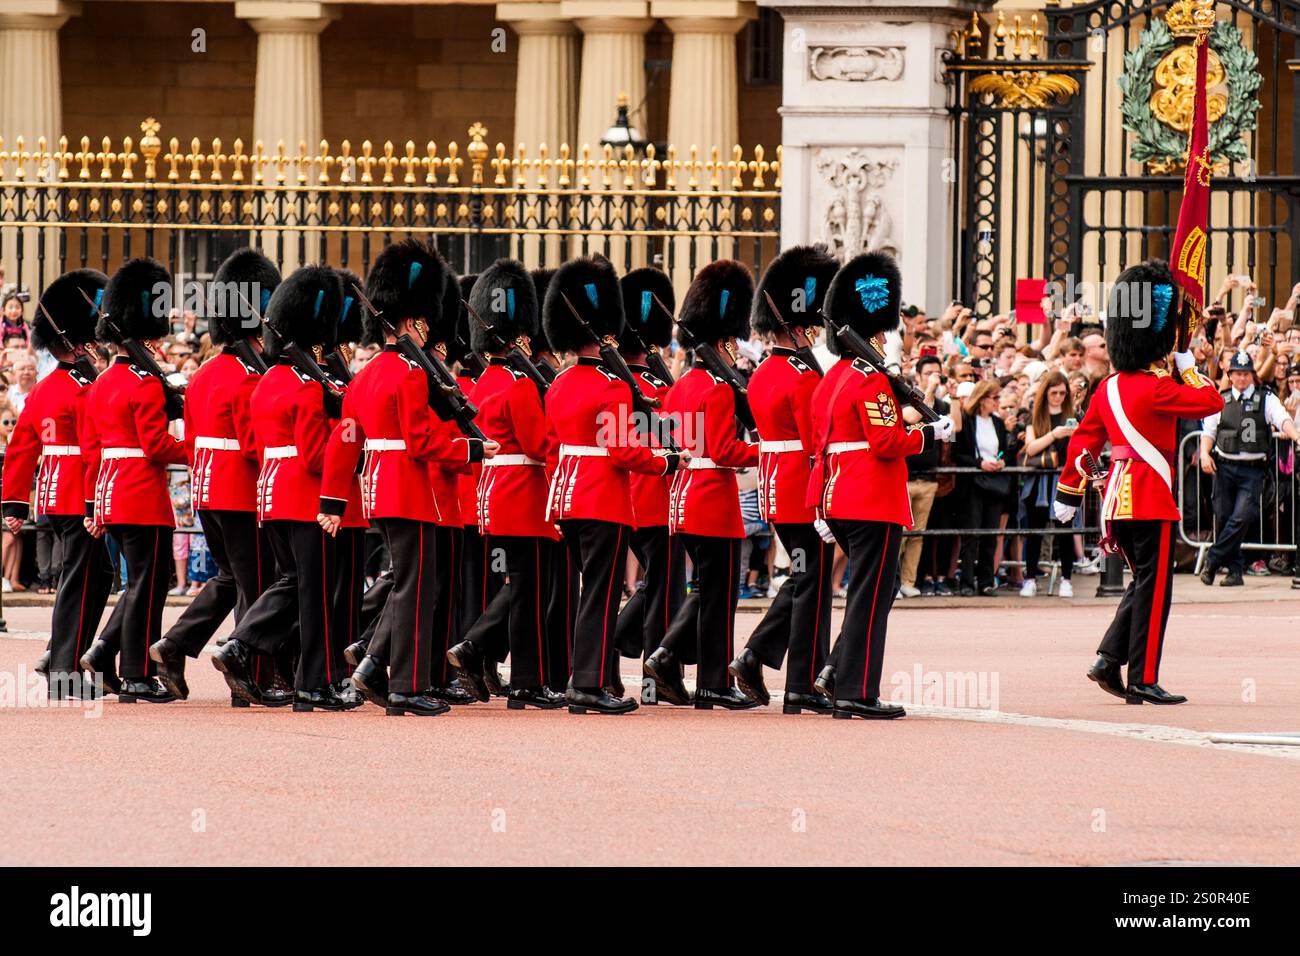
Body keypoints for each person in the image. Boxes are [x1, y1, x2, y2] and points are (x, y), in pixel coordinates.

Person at [320, 240, 492, 717]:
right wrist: (473, 449)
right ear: (415, 322)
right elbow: (421, 443)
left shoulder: (365, 375)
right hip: (412, 492)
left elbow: (346, 440)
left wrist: (333, 500)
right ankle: (407, 687)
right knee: (414, 590)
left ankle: (381, 672)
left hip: (378, 490)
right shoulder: (412, 376)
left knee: (407, 585)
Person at [1055, 259, 1223, 705]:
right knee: (1157, 588)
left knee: (1143, 582)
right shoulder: (1158, 387)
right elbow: (1210, 400)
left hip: (1116, 499)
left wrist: (1069, 490)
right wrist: (1187, 363)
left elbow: (1084, 442)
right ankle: (1143, 678)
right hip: (1150, 497)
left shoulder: (1108, 387)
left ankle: (1109, 660)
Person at [806, 251, 953, 719]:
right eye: (887, 332)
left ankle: (837, 673)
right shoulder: (870, 381)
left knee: (877, 587)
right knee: (869, 596)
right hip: (869, 497)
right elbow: (886, 442)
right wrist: (930, 432)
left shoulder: (834, 377)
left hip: (837, 494)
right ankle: (857, 692)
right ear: (877, 332)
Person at [210, 265, 361, 712]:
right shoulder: (308, 387)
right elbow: (316, 456)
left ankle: (249, 647)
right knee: (312, 596)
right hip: (305, 498)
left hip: (271, 497)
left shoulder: (269, 381)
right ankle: (308, 682)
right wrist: (352, 445)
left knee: (292, 583)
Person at [148, 248, 289, 705]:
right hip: (240, 493)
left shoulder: (207, 371)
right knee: (259, 584)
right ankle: (252, 673)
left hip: (206, 489)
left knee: (231, 578)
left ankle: (174, 645)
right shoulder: (250, 377)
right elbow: (253, 446)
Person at [542, 256, 680, 714]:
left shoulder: (559, 383)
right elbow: (623, 451)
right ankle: (587, 684)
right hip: (601, 497)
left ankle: (594, 678)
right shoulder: (612, 387)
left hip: (564, 494)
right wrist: (663, 462)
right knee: (599, 596)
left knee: (588, 593)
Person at [445, 258, 564, 707]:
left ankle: (485, 654)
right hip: (524, 496)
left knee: (519, 588)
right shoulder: (518, 385)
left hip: (493, 493)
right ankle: (524, 682)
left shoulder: (482, 382)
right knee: (529, 594)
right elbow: (537, 444)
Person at [728, 244, 839, 714]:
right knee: (811, 580)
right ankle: (793, 679)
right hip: (800, 486)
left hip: (775, 482)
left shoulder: (763, 373)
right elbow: (817, 441)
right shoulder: (801, 377)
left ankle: (771, 663)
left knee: (804, 575)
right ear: (799, 327)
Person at [644, 259, 760, 711]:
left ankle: (676, 659)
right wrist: (766, 451)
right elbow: (727, 451)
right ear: (726, 341)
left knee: (707, 591)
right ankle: (702, 676)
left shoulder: (682, 385)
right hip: (712, 499)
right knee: (718, 597)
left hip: (682, 498)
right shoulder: (717, 389)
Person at [78, 258, 187, 703]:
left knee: (139, 581)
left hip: (110, 491)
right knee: (149, 584)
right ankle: (137, 673)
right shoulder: (143, 384)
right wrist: (197, 451)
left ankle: (104, 653)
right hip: (140, 493)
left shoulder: (103, 381)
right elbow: (157, 445)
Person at [1, 270, 114, 698]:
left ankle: (58, 654)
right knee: (79, 582)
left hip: (52, 489)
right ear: (78, 343)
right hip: (77, 493)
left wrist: (14, 504)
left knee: (94, 575)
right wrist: (93, 505)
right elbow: (91, 452)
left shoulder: (45, 389)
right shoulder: (84, 390)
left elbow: (20, 449)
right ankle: (65, 672)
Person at [612, 266, 686, 684]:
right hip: (656, 497)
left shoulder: (617, 383)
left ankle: (614, 642)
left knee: (652, 586)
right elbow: (679, 437)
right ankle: (656, 677)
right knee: (665, 591)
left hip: (626, 500)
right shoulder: (658, 389)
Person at [1198, 349, 1299, 586]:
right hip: (1224, 467)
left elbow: (1282, 418)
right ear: (1230, 375)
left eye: (1246, 374)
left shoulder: (1267, 398)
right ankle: (1234, 571)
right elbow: (1209, 432)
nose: (1242, 378)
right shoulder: (1220, 399)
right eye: (1237, 374)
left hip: (1252, 469)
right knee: (1224, 518)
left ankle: (1212, 559)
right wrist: (1204, 453)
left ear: (1252, 375)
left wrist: (1296, 436)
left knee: (1242, 517)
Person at [1019, 370, 1078, 597]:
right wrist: (1054, 434)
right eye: (1054, 393)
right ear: (1046, 393)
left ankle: (1067, 578)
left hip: (1064, 478)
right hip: (1040, 480)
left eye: (1062, 393)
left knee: (1065, 531)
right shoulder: (1035, 417)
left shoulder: (1072, 414)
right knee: (1035, 530)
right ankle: (1030, 577)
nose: (1058, 397)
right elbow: (1031, 448)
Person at [952, 379, 1011, 595]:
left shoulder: (998, 423)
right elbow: (957, 453)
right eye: (994, 398)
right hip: (973, 483)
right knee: (971, 533)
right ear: (982, 398)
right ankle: (967, 582)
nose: (997, 402)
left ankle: (986, 581)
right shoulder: (967, 421)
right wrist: (979, 463)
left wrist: (1002, 460)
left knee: (990, 533)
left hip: (994, 482)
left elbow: (1004, 449)